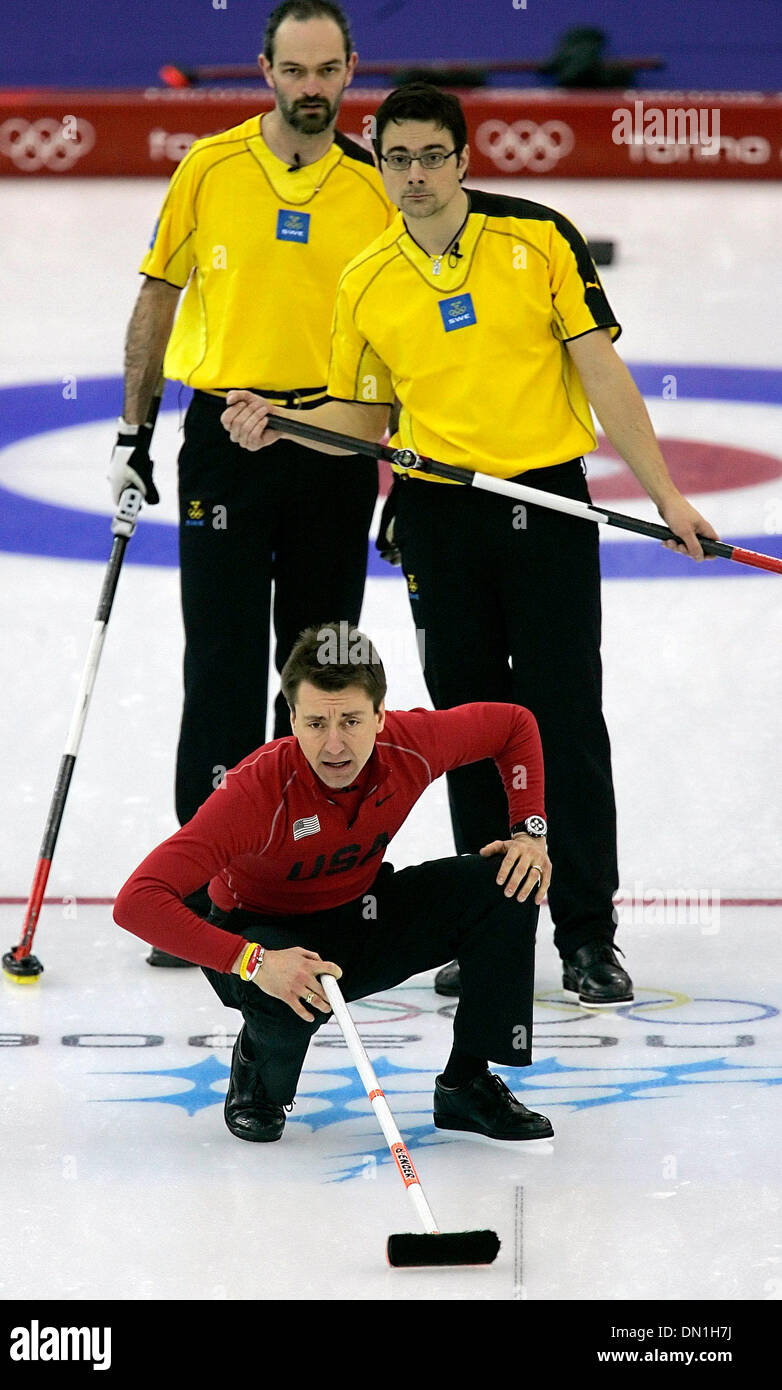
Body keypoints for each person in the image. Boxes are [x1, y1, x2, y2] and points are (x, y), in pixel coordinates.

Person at [220, 82, 721, 1008]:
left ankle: (585, 935)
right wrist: (283, 423)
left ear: (463, 159)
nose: (413, 177)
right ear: (379, 162)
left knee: (564, 719)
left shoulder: (537, 238)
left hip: (547, 507)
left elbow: (601, 372)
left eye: (430, 158)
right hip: (439, 517)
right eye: (396, 159)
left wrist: (668, 496)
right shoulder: (366, 276)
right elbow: (363, 413)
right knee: (470, 731)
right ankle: (493, 927)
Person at [108, 1, 392, 965]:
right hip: (223, 436)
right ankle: (203, 879)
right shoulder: (210, 167)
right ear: (263, 68)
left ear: (352, 69)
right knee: (220, 660)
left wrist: (403, 460)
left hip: (333, 441)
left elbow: (406, 332)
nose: (311, 90)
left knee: (319, 664)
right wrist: (132, 431)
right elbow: (158, 293)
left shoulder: (376, 183)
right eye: (294, 71)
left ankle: (311, 872)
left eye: (327, 72)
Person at [113, 621, 554, 1144]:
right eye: (317, 723)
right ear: (292, 719)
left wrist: (530, 832)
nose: (335, 744)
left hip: (359, 913)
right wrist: (254, 963)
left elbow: (514, 725)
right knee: (282, 993)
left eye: (350, 720)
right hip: (261, 935)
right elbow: (136, 901)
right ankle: (258, 1070)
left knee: (507, 882)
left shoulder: (411, 744)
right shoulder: (254, 793)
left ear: (380, 715)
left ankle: (467, 1086)